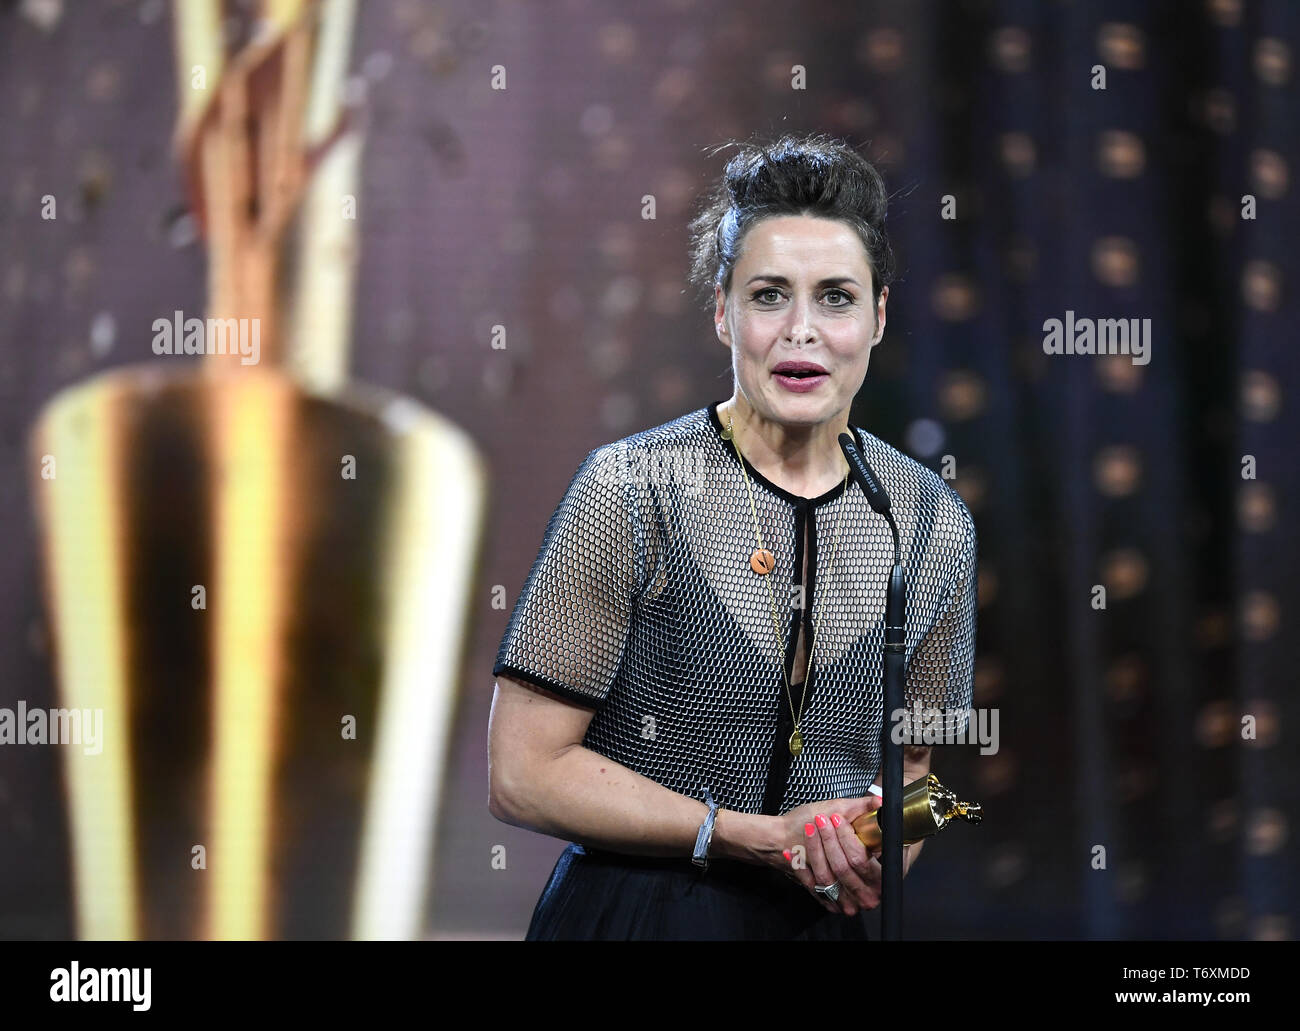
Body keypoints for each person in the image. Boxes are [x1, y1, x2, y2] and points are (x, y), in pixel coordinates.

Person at [488, 133, 977, 940]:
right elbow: (522, 772)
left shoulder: (930, 521)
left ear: (879, 317)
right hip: (636, 915)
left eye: (836, 297)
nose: (801, 330)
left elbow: (917, 770)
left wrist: (860, 862)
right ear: (722, 311)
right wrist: (750, 836)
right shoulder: (632, 488)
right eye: (768, 295)